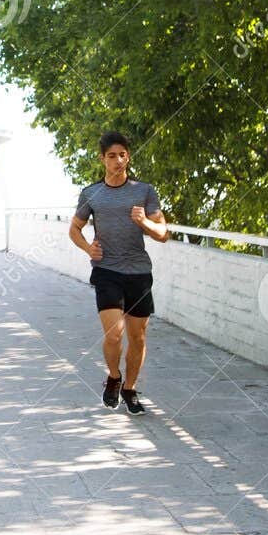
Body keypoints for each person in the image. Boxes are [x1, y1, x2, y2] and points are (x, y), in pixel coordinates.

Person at [68, 130, 169, 415]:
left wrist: (144, 223)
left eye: (122, 154)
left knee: (137, 337)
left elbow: (163, 233)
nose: (118, 160)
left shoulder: (144, 191)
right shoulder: (92, 193)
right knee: (115, 334)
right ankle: (114, 376)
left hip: (138, 272)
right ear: (102, 159)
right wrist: (89, 249)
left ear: (128, 156)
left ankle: (130, 388)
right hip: (107, 271)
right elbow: (74, 229)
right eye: (111, 156)